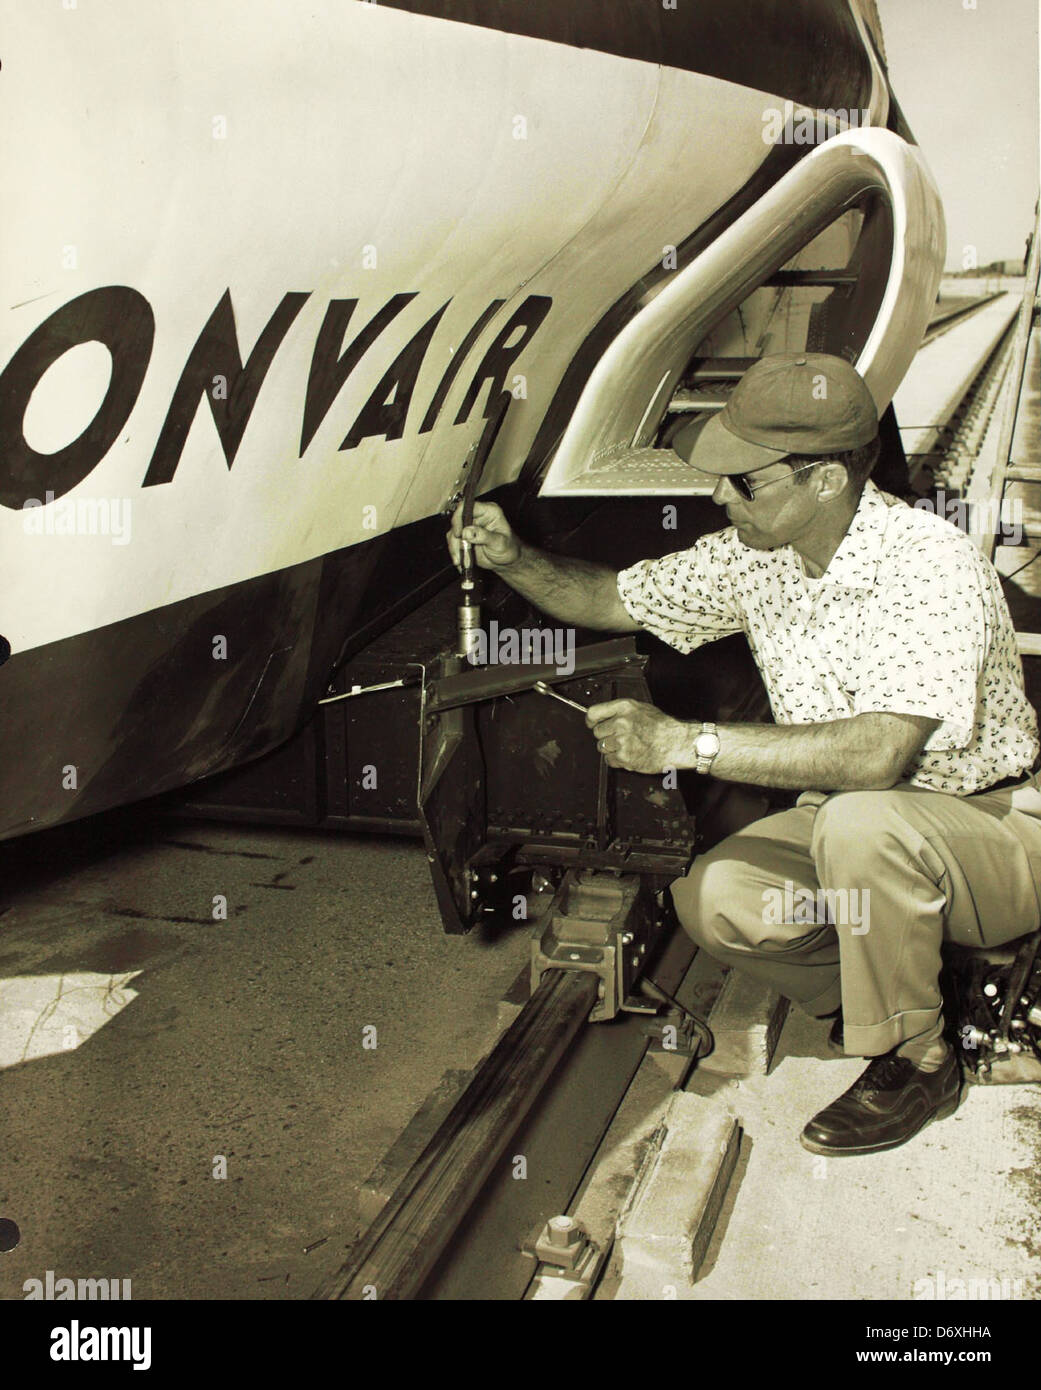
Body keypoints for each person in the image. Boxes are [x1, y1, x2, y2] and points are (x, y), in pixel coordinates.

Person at [447, 352, 1041, 1156]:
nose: (718, 496)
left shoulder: (925, 565)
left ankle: (918, 1058)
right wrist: (512, 557)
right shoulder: (753, 555)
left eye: (744, 481)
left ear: (826, 480)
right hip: (858, 832)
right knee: (718, 897)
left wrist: (685, 743)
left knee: (860, 825)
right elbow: (611, 598)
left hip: (991, 828)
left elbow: (875, 756)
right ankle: (927, 989)